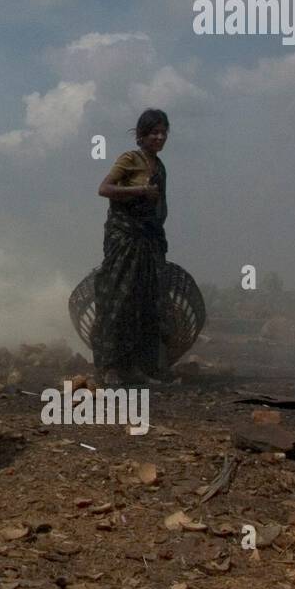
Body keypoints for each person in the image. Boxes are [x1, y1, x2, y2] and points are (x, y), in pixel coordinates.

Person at [92, 109, 170, 385]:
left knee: (145, 302)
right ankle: (110, 366)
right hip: (125, 239)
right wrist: (139, 191)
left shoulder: (159, 166)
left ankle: (135, 366)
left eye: (163, 132)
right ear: (141, 136)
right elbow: (104, 189)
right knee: (118, 300)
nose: (159, 137)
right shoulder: (129, 159)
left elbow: (160, 206)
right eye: (154, 132)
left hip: (148, 240)